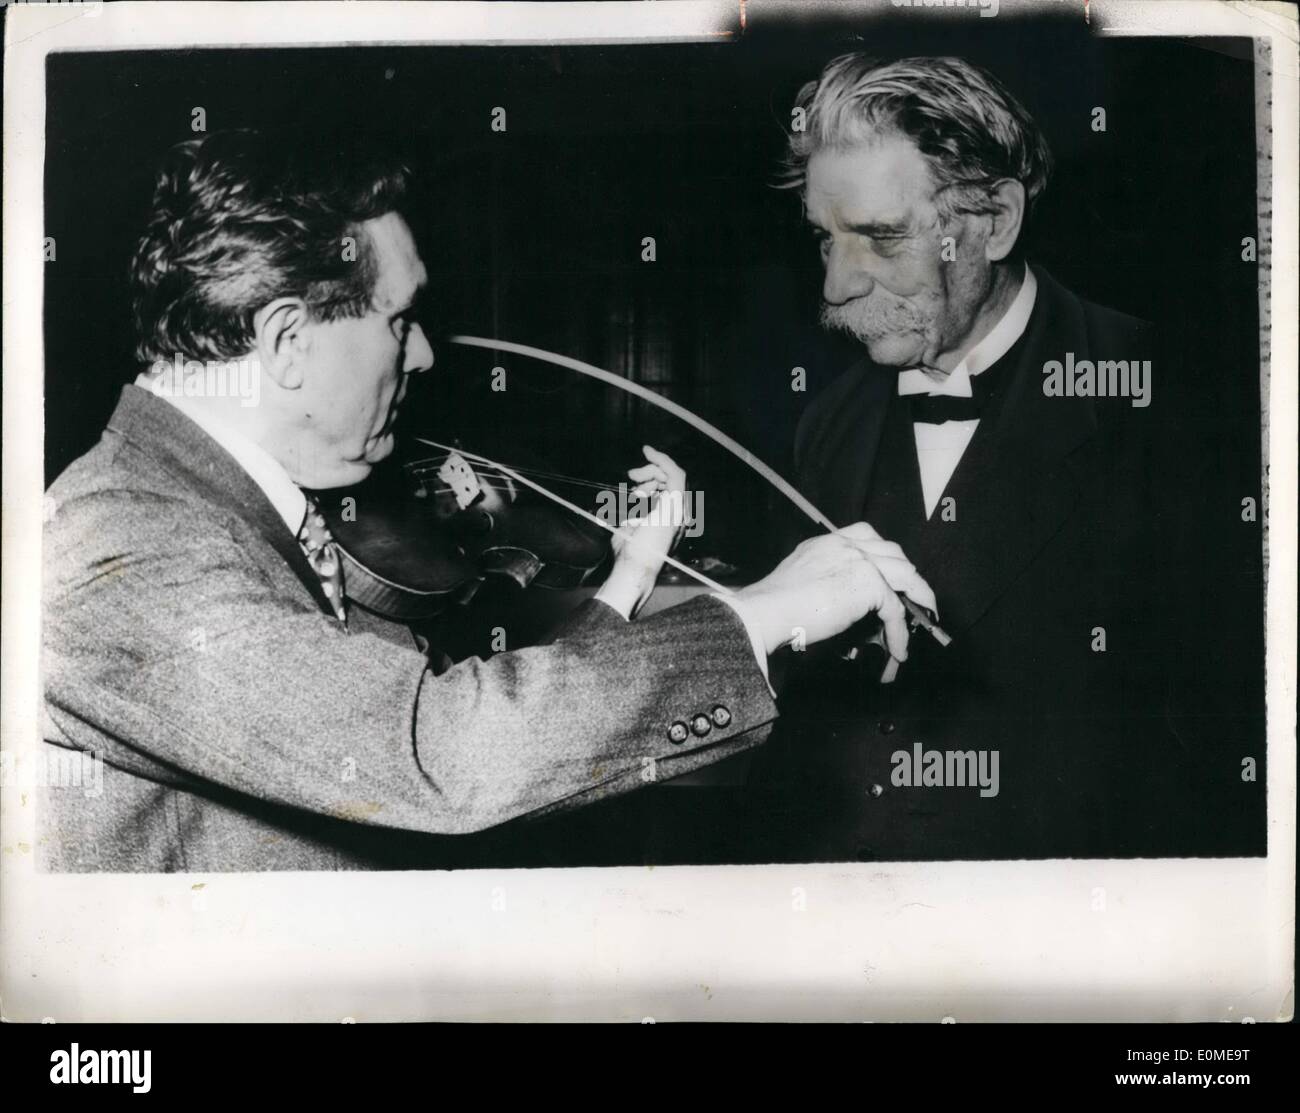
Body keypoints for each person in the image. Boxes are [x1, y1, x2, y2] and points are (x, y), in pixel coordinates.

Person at [40, 128, 931, 872]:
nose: (422, 356)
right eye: (399, 320)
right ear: (285, 343)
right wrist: (761, 612)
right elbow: (440, 753)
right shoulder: (119, 541)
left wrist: (628, 577)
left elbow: (470, 748)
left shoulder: (219, 507)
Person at [747, 54, 1229, 861]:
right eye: (825, 240)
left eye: (880, 236)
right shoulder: (825, 425)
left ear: (995, 220)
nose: (834, 288)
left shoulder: (1172, 398)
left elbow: (1217, 730)